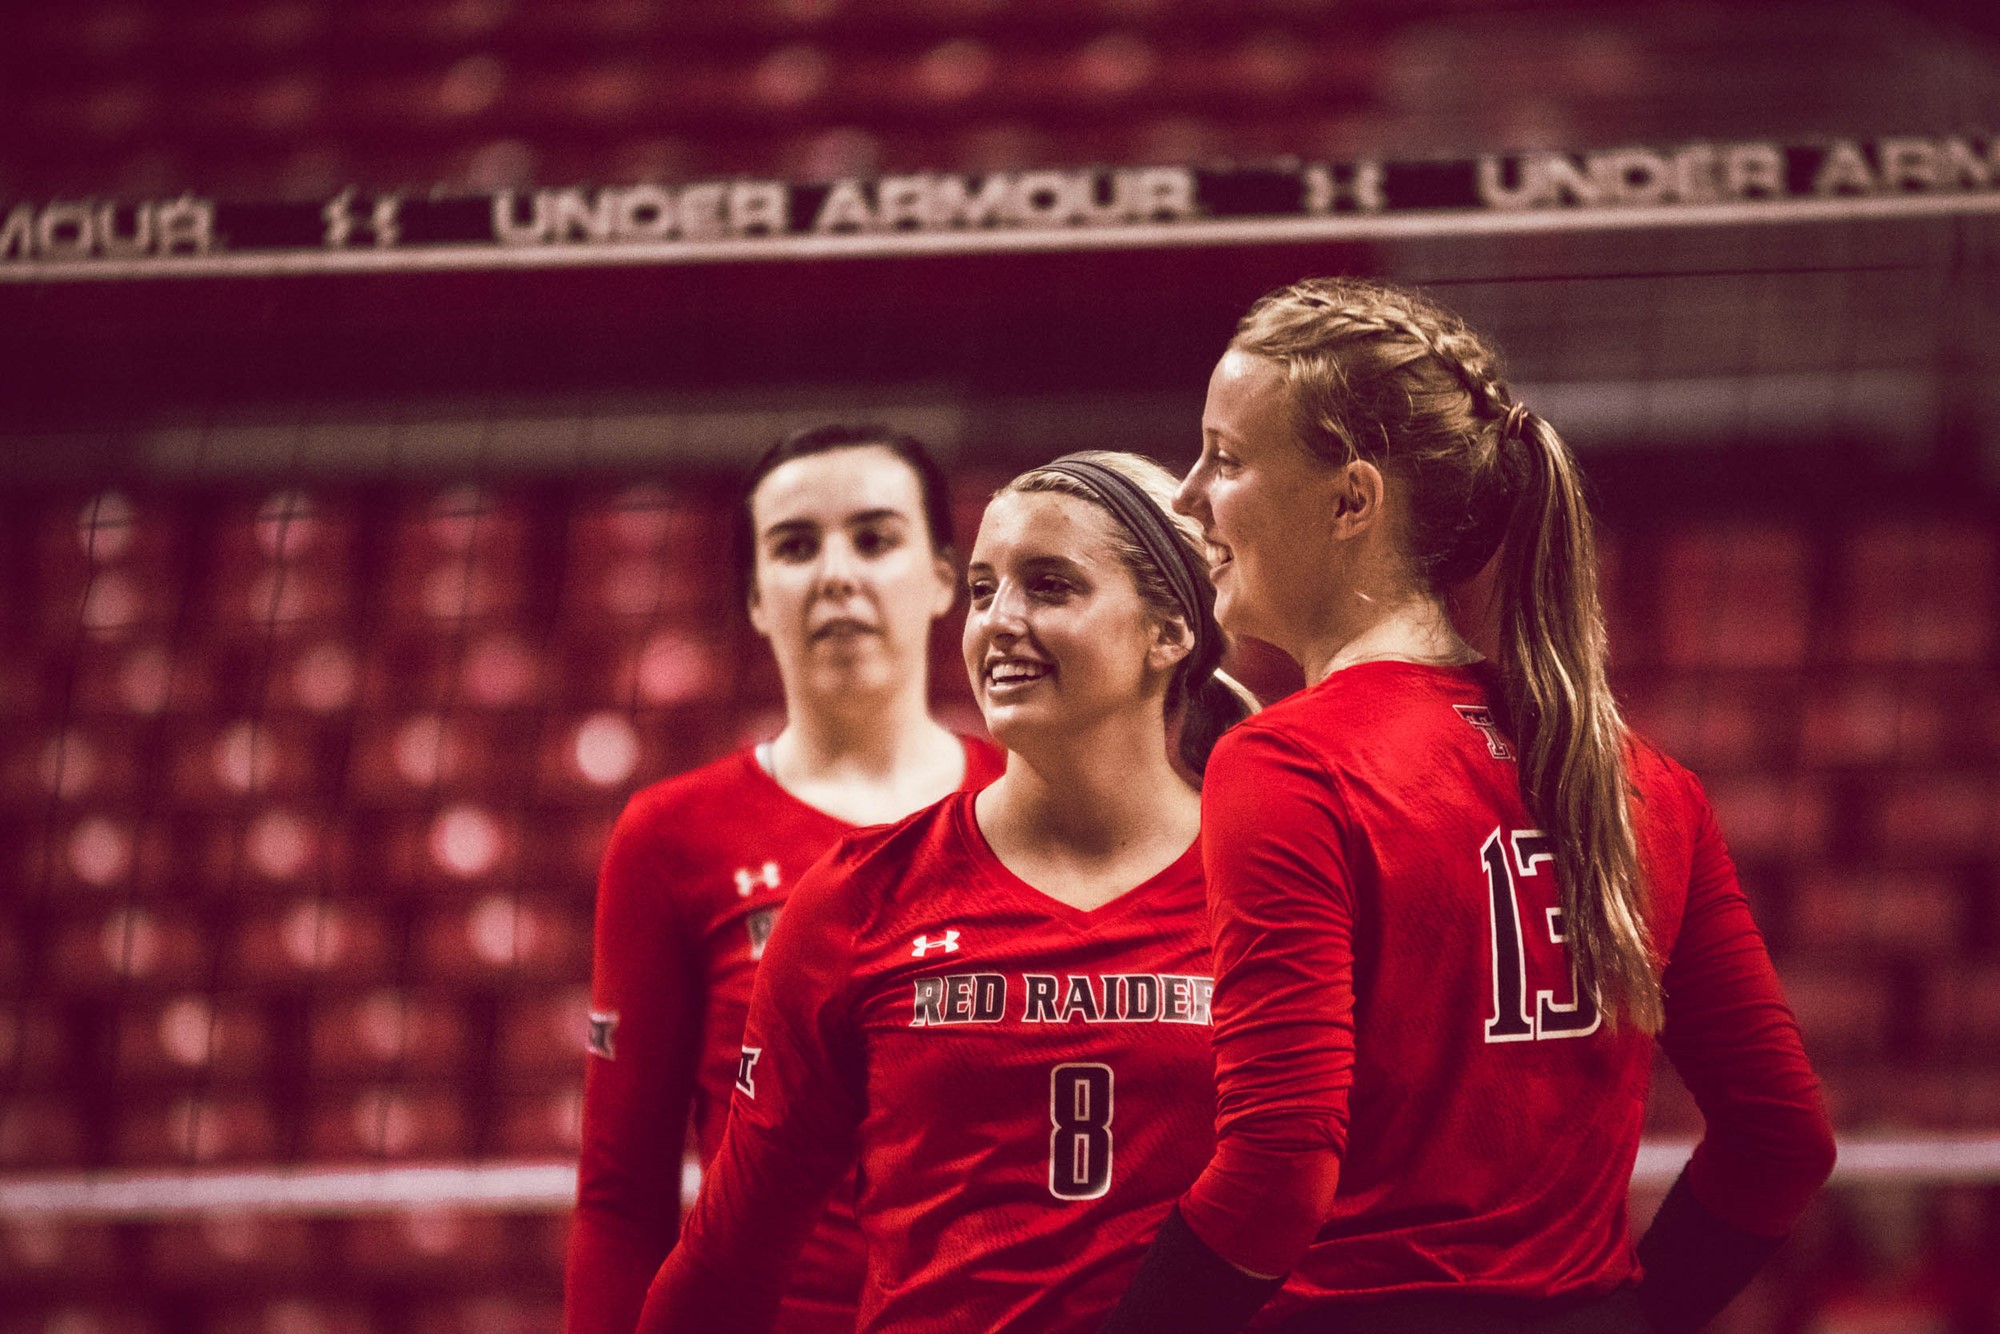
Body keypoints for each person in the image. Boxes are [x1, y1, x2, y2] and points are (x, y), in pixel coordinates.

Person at [1100, 278, 1837, 1334]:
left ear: (1351, 501)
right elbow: (1783, 1140)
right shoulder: (1642, 777)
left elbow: (1275, 1171)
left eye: (1223, 456)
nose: (1184, 495)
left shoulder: (1289, 762)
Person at [635, 452, 1257, 1333]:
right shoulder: (859, 896)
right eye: (980, 590)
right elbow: (727, 1259)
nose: (1000, 622)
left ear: (1170, 633)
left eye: (1050, 586)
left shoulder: (1278, 879)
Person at [565, 424, 1006, 1334]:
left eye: (876, 538)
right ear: (758, 598)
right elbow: (620, 1195)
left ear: (940, 579)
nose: (837, 573)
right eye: (796, 546)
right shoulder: (670, 836)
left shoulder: (1032, 799)